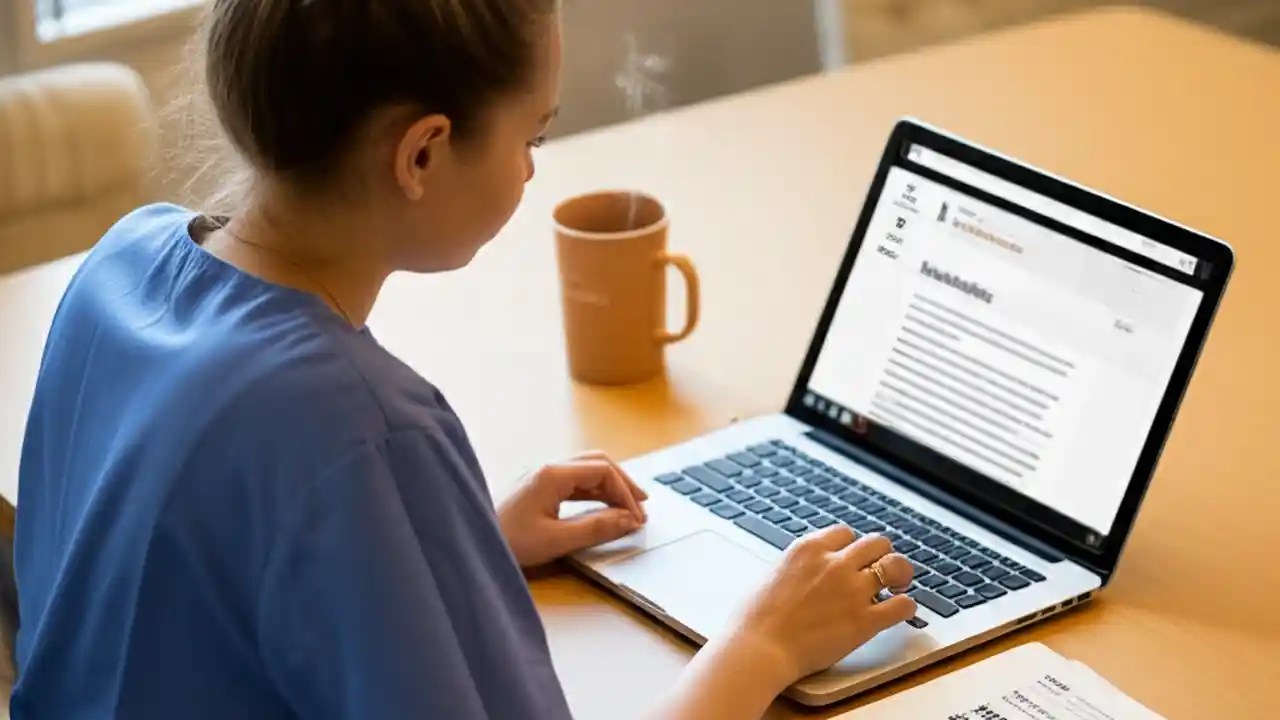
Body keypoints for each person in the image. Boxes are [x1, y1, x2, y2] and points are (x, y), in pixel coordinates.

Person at [12, 1, 916, 718]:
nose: (530, 172)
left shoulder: (122, 265)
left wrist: (448, 541)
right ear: (423, 152)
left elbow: (195, 575)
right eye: (531, 138)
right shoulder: (361, 429)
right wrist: (763, 645)